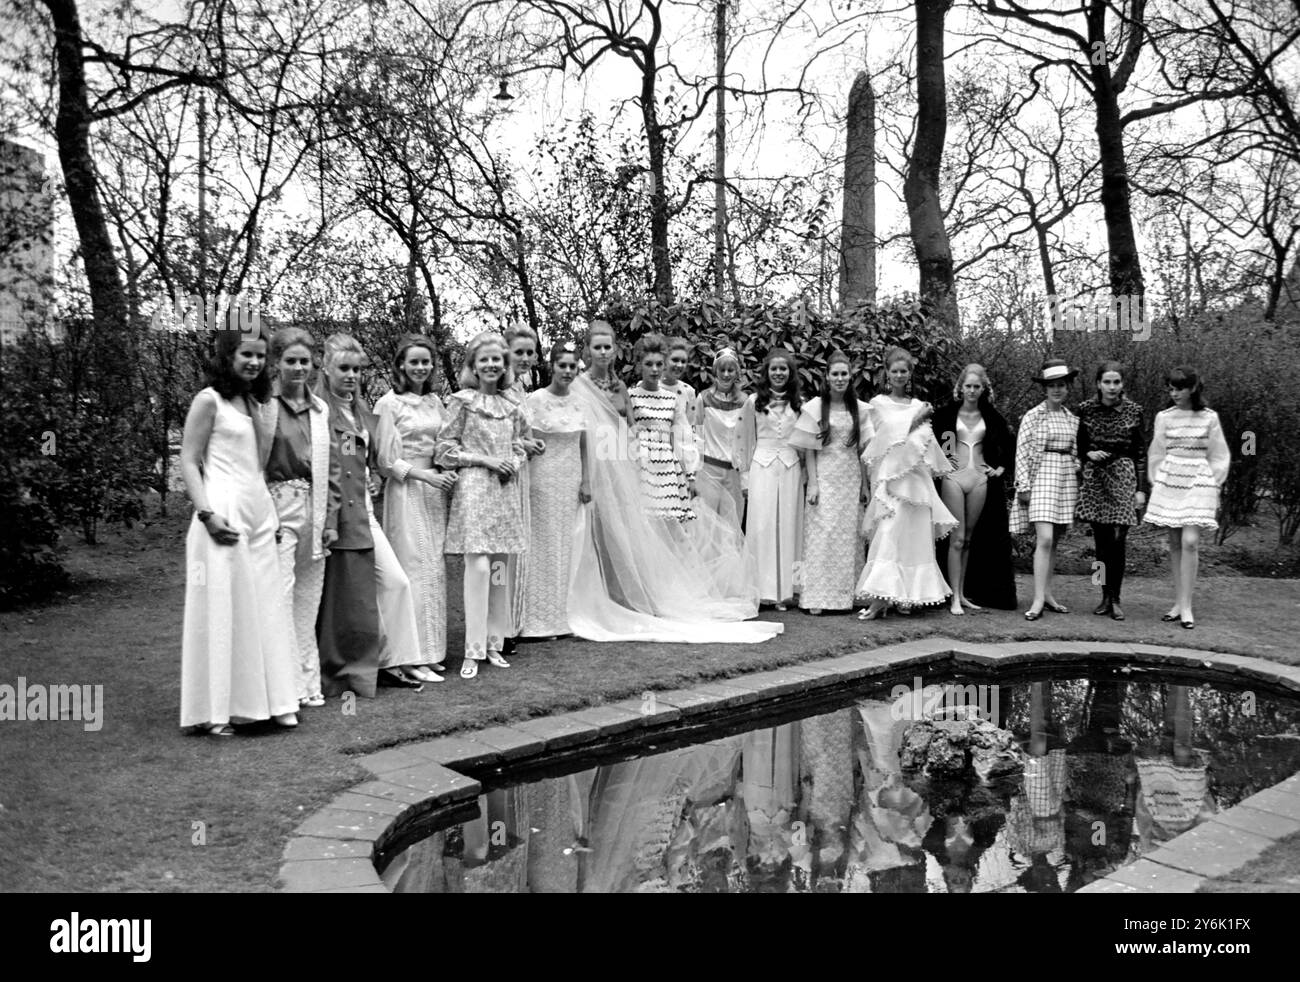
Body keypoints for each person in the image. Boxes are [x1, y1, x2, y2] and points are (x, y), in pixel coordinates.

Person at [565, 319, 782, 643]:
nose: (654, 369)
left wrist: (685, 472)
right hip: (618, 465)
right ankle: (611, 595)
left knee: (663, 535)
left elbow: (667, 433)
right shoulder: (609, 389)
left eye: (659, 364)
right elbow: (619, 429)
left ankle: (653, 595)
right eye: (597, 346)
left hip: (658, 470)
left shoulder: (659, 396)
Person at [179, 326, 299, 735]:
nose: (254, 362)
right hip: (221, 514)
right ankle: (217, 713)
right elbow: (189, 460)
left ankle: (273, 703)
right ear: (228, 356)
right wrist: (207, 514)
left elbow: (257, 466)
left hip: (259, 514)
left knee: (266, 608)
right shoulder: (208, 400)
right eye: (246, 354)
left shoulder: (253, 402)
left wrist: (273, 516)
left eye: (260, 356)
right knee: (226, 610)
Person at [315, 333, 426, 696]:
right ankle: (355, 665)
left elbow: (363, 460)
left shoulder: (361, 411)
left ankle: (397, 660)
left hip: (364, 512)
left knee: (396, 582)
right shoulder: (321, 411)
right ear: (326, 368)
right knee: (346, 595)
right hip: (338, 515)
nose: (351, 376)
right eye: (343, 368)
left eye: (357, 370)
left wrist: (374, 479)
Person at [436, 331, 530, 678]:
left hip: (504, 491)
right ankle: (472, 648)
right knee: (477, 567)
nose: (491, 365)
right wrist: (486, 460)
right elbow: (444, 450)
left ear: (504, 366)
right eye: (484, 359)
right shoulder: (461, 401)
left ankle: (494, 641)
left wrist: (512, 463)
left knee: (499, 570)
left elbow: (521, 445)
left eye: (497, 360)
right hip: (475, 488)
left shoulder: (512, 406)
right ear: (473, 366)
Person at [373, 334, 456, 680]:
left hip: (435, 490)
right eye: (414, 362)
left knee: (434, 569)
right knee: (412, 569)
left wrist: (447, 468)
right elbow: (384, 461)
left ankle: (432, 651)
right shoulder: (388, 404)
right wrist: (424, 476)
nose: (421, 368)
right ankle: (411, 655)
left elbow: (445, 443)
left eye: (426, 361)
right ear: (401, 366)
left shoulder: (436, 401)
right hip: (407, 489)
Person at [855, 346, 956, 619]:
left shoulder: (918, 405)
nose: (899, 375)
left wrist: (919, 418)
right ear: (887, 373)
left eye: (904, 371)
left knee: (913, 536)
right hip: (890, 480)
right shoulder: (878, 404)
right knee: (888, 532)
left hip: (915, 480)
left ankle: (908, 595)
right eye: (895, 371)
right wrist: (916, 418)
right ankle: (880, 597)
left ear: (909, 374)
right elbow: (882, 439)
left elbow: (926, 443)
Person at [261, 326, 331, 708]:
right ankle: (283, 687)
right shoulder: (266, 406)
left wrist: (329, 521)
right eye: (291, 361)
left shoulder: (320, 410)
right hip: (278, 506)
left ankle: (308, 684)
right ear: (277, 363)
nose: (299, 368)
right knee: (282, 595)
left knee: (308, 599)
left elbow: (328, 467)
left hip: (315, 508)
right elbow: (256, 464)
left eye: (305, 361)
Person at [1144, 366, 1230, 629]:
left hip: (1199, 482)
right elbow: (1157, 453)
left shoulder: (1209, 417)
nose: (1174, 393)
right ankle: (1178, 603)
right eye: (1170, 388)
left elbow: (1219, 455)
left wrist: (1211, 484)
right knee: (1175, 542)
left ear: (1193, 388)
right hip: (1170, 482)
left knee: (1191, 541)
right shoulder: (1164, 417)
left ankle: (1188, 605)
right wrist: (1158, 481)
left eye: (1179, 388)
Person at [519, 341, 592, 639]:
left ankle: (564, 616)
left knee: (568, 543)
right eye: (562, 365)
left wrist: (586, 480)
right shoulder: (534, 400)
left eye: (572, 366)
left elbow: (584, 445)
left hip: (571, 477)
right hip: (543, 478)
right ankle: (537, 619)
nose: (567, 371)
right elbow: (523, 438)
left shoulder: (581, 403)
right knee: (543, 544)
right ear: (552, 366)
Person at [789, 350, 870, 614]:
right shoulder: (814, 407)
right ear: (827, 376)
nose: (839, 378)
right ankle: (817, 598)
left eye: (844, 374)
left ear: (850, 376)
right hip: (824, 476)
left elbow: (862, 451)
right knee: (822, 536)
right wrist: (813, 483)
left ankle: (846, 597)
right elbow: (810, 449)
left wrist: (865, 485)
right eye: (835, 374)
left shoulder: (859, 409)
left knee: (848, 537)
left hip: (850, 477)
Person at [933, 363, 1017, 614]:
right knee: (956, 539)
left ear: (983, 388)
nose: (972, 391)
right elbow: (935, 443)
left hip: (980, 478)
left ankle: (962, 593)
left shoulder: (991, 416)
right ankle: (953, 597)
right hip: (954, 479)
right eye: (968, 386)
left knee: (969, 538)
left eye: (976, 387)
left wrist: (1001, 468)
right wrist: (943, 462)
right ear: (960, 387)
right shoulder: (947, 414)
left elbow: (1010, 444)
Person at [1076, 360, 1147, 621]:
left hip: (1124, 476)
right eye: (1107, 382)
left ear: (1123, 384)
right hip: (1096, 479)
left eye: (1116, 382)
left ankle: (1117, 597)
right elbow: (1079, 446)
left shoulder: (1134, 411)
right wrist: (1088, 453)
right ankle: (1103, 595)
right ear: (1098, 384)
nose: (1112, 387)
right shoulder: (1085, 410)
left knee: (1118, 541)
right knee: (1101, 543)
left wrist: (1141, 489)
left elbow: (1140, 451)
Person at [1011, 359, 1080, 621]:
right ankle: (1037, 599)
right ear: (1045, 389)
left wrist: (1075, 465)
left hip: (1065, 480)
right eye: (1052, 386)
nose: (1057, 390)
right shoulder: (1033, 416)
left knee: (1055, 542)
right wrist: (1023, 486)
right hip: (1040, 478)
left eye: (1061, 385)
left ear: (1067, 387)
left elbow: (1076, 453)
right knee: (1045, 538)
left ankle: (1047, 593)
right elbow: (1021, 452)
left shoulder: (1071, 419)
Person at [736, 348, 805, 610]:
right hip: (761, 465)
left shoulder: (800, 403)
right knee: (761, 526)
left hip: (790, 467)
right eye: (774, 368)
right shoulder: (753, 401)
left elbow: (805, 442)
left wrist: (806, 472)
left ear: (790, 373)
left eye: (783, 368)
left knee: (788, 526)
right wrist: (744, 477)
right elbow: (742, 440)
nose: (778, 373)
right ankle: (760, 590)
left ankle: (786, 591)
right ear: (767, 372)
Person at [627, 333, 696, 522]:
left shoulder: (672, 399)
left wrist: (689, 475)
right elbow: (622, 436)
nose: (655, 369)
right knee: (643, 525)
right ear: (639, 365)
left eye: (659, 364)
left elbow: (682, 438)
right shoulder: (630, 396)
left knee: (669, 525)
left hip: (667, 469)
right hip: (641, 469)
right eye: (649, 364)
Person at [693, 345, 748, 525]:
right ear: (715, 371)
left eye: (730, 370)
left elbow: (747, 441)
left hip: (734, 473)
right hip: (708, 470)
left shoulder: (745, 402)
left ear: (736, 372)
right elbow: (696, 436)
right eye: (722, 369)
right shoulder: (703, 398)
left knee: (733, 524)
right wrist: (693, 471)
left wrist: (746, 478)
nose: (726, 374)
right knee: (706, 523)